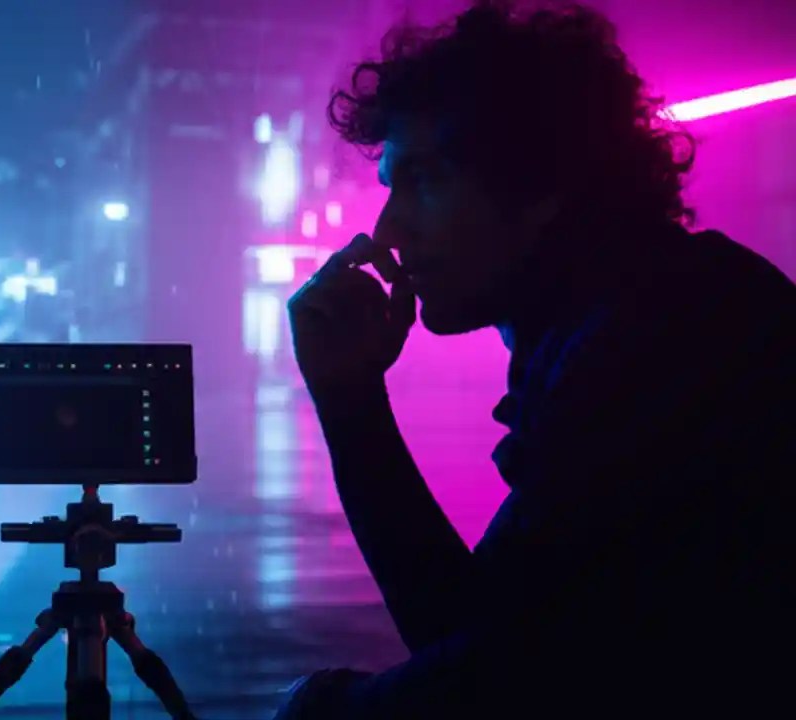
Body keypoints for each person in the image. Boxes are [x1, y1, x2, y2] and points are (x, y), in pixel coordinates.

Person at [279, 2, 796, 718]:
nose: (390, 230)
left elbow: (514, 678)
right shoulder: (643, 312)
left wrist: (325, 708)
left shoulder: (656, 337)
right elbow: (488, 635)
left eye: (425, 182)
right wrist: (350, 401)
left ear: (540, 183)